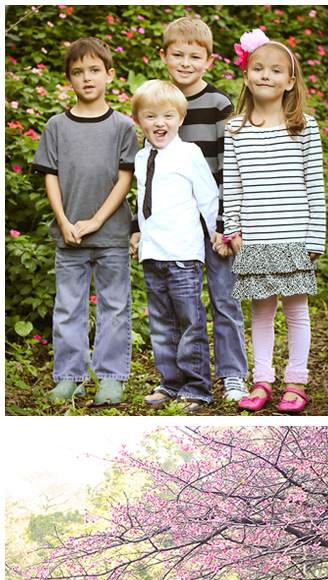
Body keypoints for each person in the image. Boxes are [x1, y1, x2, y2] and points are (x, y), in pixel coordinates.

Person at [220, 30, 325, 413]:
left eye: (276, 70)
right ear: (246, 76)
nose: (266, 75)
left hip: (295, 239)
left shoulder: (304, 127)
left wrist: (316, 238)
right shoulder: (235, 129)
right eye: (258, 68)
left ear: (290, 81)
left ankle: (296, 381)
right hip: (255, 240)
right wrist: (232, 230)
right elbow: (232, 186)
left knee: (296, 312)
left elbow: (315, 186)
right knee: (261, 313)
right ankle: (262, 379)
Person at [33, 37, 138, 406]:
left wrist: (95, 220)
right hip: (70, 238)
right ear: (69, 79)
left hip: (111, 236)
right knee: (68, 308)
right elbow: (51, 176)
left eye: (95, 70)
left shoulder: (123, 126)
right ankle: (69, 377)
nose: (87, 78)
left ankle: (110, 378)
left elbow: (125, 179)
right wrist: (63, 221)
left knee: (115, 307)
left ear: (109, 74)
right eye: (78, 72)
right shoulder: (56, 126)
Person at [158, 16, 249, 401]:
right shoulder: (160, 104)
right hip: (177, 224)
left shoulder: (217, 104)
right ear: (164, 56)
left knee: (225, 298)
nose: (185, 63)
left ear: (208, 60)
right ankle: (184, 377)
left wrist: (227, 224)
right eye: (178, 55)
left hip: (215, 221)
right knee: (182, 304)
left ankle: (233, 375)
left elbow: (232, 166)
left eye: (194, 57)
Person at [130, 80, 220, 411]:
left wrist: (218, 232)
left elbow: (208, 197)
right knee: (161, 324)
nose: (160, 123)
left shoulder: (189, 153)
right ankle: (170, 383)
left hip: (182, 254)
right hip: (152, 254)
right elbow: (144, 200)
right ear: (139, 120)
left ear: (180, 118)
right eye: (150, 116)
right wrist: (138, 234)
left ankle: (196, 388)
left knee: (189, 323)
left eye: (168, 115)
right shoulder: (142, 157)